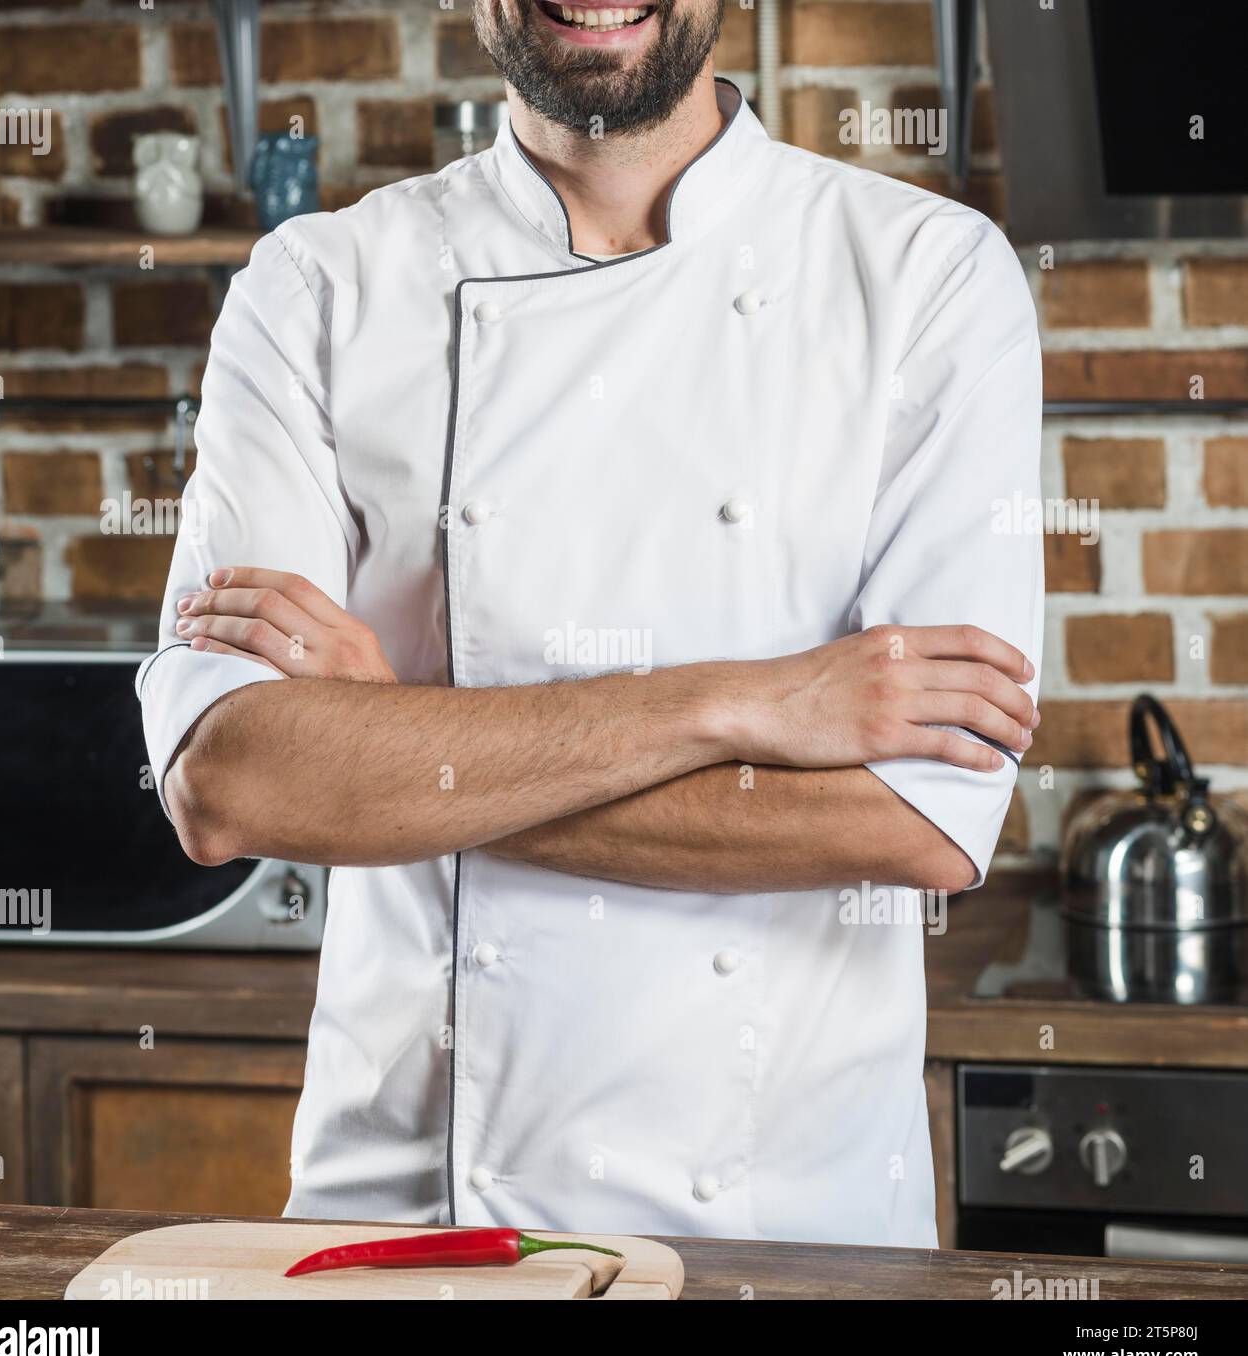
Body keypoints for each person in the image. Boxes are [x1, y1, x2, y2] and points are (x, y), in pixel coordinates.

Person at [139, 0, 1043, 1245]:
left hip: (782, 1230)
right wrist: (740, 702)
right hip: (406, 1223)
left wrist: (395, 743)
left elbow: (917, 818)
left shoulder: (925, 276)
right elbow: (231, 783)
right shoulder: (319, 286)